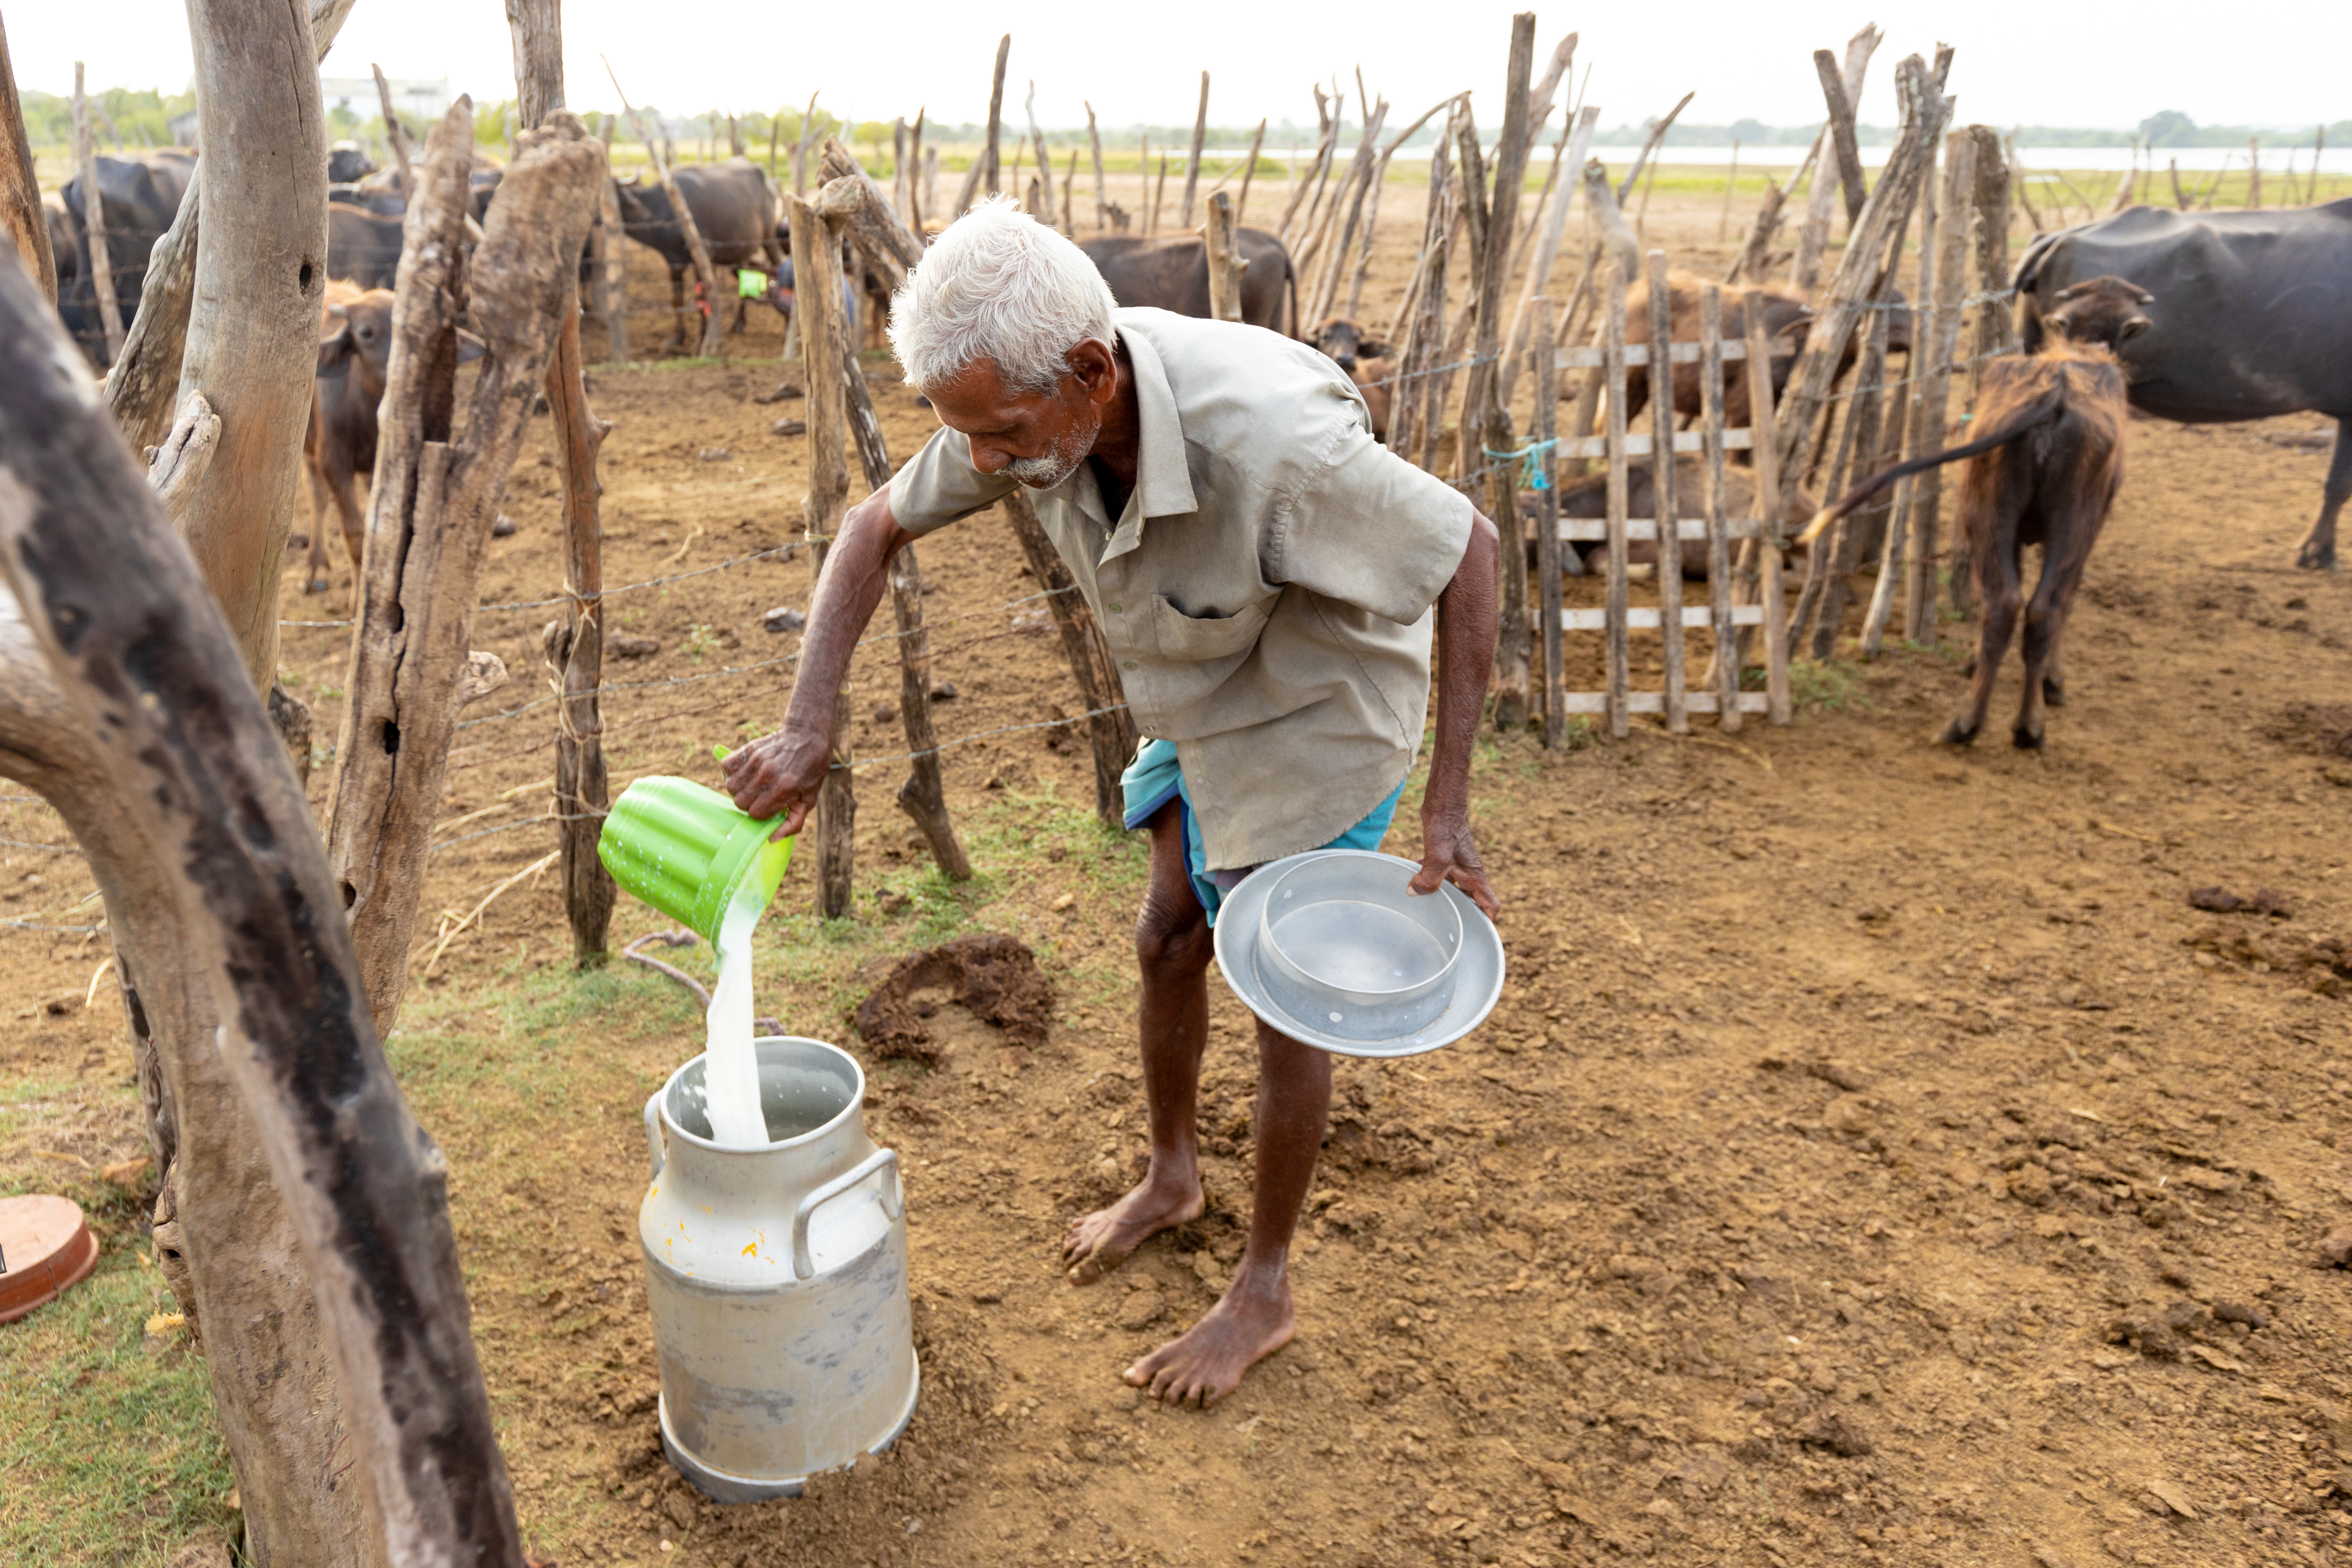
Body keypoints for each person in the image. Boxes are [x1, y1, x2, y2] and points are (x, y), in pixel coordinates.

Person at [724, 197, 1500, 1408]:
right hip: (1203, 675)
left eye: (1002, 436)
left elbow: (1472, 550)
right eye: (968, 437)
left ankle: (1265, 1291)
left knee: (1279, 989)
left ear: (1092, 374)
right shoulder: (1024, 399)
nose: (986, 464)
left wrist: (1448, 809)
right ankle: (1174, 1177)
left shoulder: (1280, 447)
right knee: (1166, 937)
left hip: (1320, 701)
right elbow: (874, 527)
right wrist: (809, 724)